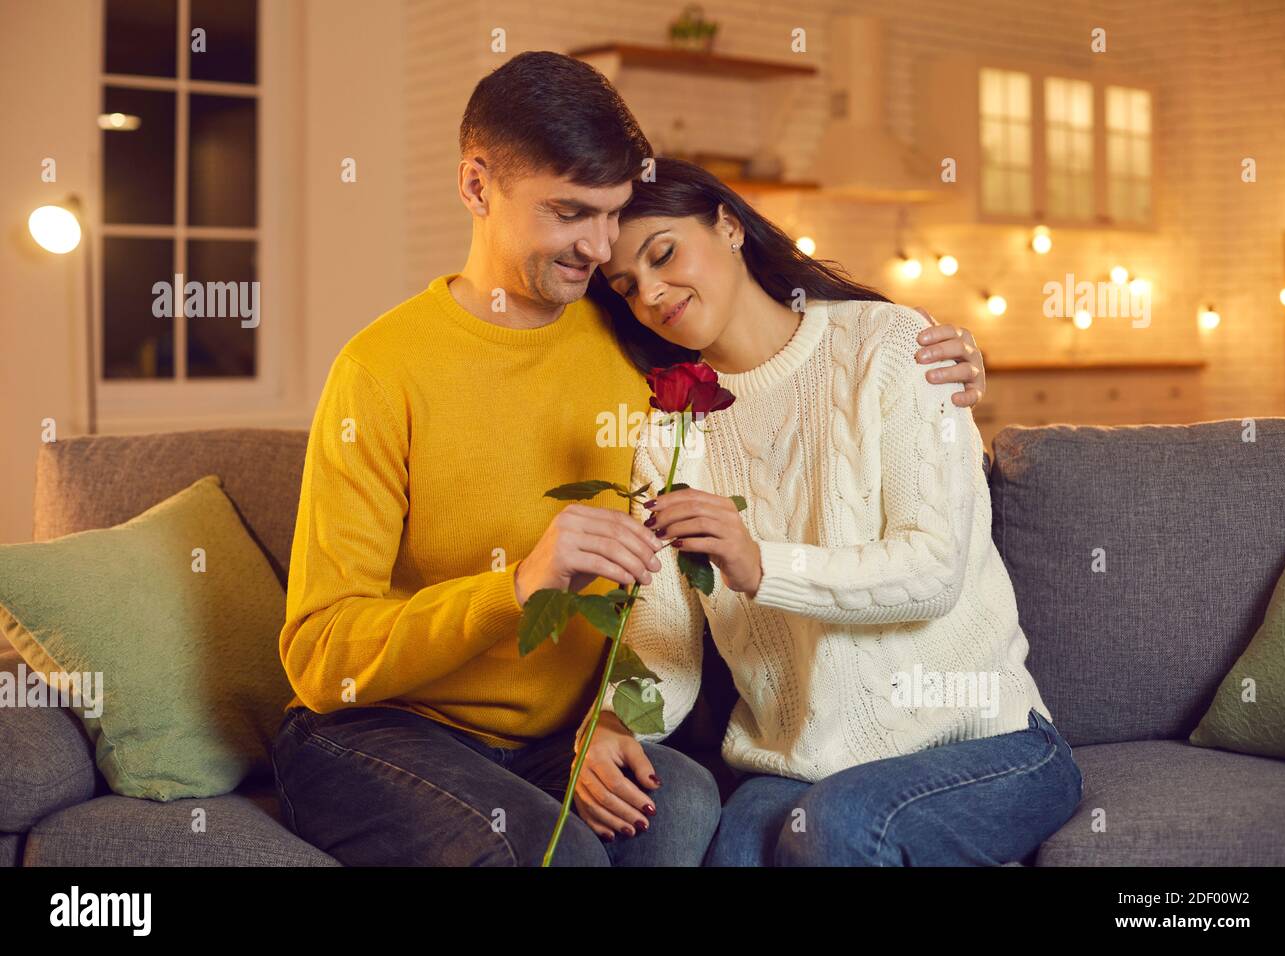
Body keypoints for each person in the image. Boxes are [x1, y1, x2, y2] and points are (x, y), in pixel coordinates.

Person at [270, 51, 991, 867]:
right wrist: (516, 588)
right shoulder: (381, 370)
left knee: (682, 807)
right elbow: (321, 656)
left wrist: (949, 361)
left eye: (612, 216)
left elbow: (788, 365)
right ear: (476, 187)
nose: (598, 247)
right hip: (385, 729)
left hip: (560, 736)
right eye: (570, 213)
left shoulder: (635, 332)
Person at [573, 156, 1082, 865]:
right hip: (797, 768)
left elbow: (935, 570)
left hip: (989, 746)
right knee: (741, 851)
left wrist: (758, 564)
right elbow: (666, 638)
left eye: (663, 253)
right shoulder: (670, 431)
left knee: (842, 824)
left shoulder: (893, 347)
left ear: (727, 225)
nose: (653, 292)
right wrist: (609, 723)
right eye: (627, 286)